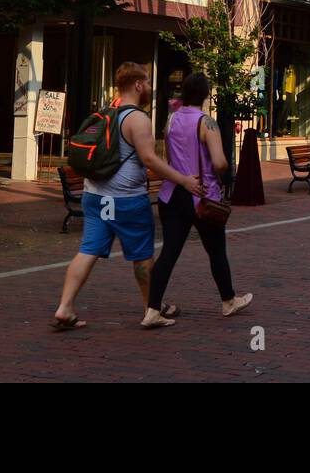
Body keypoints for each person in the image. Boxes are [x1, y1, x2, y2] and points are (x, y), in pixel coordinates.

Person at [53, 62, 203, 332]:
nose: (149, 88)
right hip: (126, 200)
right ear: (137, 84)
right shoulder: (138, 119)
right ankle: (152, 308)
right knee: (143, 256)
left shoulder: (107, 112)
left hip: (95, 196)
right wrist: (182, 180)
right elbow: (149, 159)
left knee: (88, 251)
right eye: (147, 83)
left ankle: (65, 307)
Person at [143, 73, 252, 325]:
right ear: (205, 94)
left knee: (168, 253)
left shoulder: (171, 120)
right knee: (216, 251)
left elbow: (169, 157)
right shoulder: (206, 123)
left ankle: (152, 309)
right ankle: (228, 300)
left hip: (172, 193)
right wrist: (220, 174)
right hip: (202, 196)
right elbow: (220, 162)